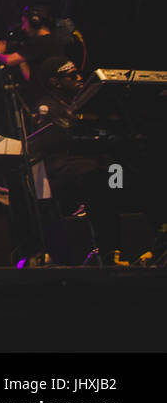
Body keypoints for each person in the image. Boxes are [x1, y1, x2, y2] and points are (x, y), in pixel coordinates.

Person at [26, 56, 127, 266]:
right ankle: (107, 251)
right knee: (97, 176)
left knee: (123, 170)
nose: (80, 77)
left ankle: (129, 247)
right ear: (55, 82)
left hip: (87, 163)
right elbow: (50, 142)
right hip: (63, 168)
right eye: (72, 75)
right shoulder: (46, 106)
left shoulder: (78, 103)